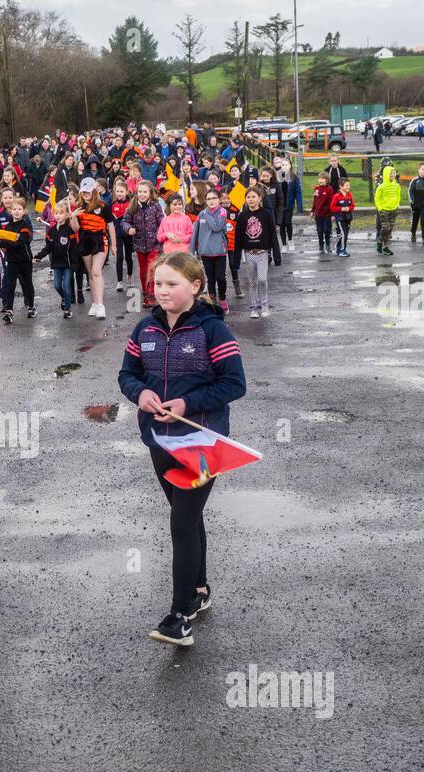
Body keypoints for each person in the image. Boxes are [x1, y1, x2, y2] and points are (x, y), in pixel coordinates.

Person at [117, 252, 247, 647]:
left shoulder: (213, 331)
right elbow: (126, 375)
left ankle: (180, 614)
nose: (162, 291)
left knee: (181, 523)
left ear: (195, 286)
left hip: (202, 443)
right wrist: (140, 394)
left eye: (171, 284)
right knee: (186, 517)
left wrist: (187, 404)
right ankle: (201, 589)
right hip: (158, 440)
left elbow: (234, 384)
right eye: (158, 283)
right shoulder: (144, 329)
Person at [75, 177, 114, 318]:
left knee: (97, 271)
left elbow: (110, 225)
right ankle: (95, 303)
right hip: (85, 241)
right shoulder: (78, 205)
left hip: (100, 240)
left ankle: (101, 305)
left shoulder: (103, 205)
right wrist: (73, 216)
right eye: (83, 192)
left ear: (93, 191)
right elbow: (75, 228)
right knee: (90, 273)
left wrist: (114, 245)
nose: (85, 194)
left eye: (88, 191)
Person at [34, 198, 80, 319]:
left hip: (68, 263)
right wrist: (39, 255)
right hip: (56, 263)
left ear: (66, 215)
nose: (58, 216)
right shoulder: (52, 231)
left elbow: (74, 248)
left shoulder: (69, 230)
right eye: (56, 213)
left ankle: (68, 309)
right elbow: (48, 247)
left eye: (61, 213)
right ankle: (64, 298)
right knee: (57, 286)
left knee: (66, 285)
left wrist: (75, 263)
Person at [0, 196, 36, 323]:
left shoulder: (25, 225)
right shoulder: (7, 227)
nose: (17, 211)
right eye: (14, 209)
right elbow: (5, 241)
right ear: (10, 211)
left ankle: (31, 306)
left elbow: (19, 243)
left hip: (24, 260)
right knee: (10, 285)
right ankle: (9, 311)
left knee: (27, 283)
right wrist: (1, 243)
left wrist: (2, 244)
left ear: (24, 211)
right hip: (12, 260)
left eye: (19, 209)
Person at [236, 186, 275, 317]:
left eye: (253, 197)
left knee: (262, 279)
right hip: (249, 253)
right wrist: (237, 258)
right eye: (248, 197)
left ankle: (264, 305)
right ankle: (253, 307)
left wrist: (276, 253)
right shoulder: (242, 216)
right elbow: (239, 237)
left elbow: (273, 234)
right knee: (252, 281)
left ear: (259, 198)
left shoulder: (266, 214)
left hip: (262, 253)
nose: (251, 199)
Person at [189, 189, 230, 312]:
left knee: (220, 277)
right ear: (205, 200)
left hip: (219, 251)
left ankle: (222, 298)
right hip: (205, 252)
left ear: (219, 199)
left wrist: (206, 214)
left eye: (214, 198)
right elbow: (195, 232)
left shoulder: (222, 212)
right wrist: (192, 251)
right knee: (210, 278)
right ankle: (212, 301)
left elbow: (216, 227)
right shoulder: (201, 214)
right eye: (208, 199)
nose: (211, 201)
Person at [125, 179, 164, 308]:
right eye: (140, 191)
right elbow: (125, 221)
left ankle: (152, 295)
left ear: (150, 192)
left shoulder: (156, 205)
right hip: (140, 243)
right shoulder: (133, 205)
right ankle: (146, 291)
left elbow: (161, 222)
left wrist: (159, 236)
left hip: (154, 244)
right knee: (143, 270)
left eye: (145, 192)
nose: (142, 194)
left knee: (151, 268)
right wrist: (129, 229)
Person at [110, 178, 134, 292]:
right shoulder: (113, 204)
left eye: (121, 191)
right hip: (117, 234)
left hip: (128, 234)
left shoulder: (130, 204)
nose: (119, 194)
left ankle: (129, 276)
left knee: (128, 257)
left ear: (126, 192)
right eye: (117, 191)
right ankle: (119, 281)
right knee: (119, 257)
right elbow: (110, 221)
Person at [374, 162, 401, 256]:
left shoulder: (396, 185)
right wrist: (380, 208)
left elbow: (398, 196)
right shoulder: (381, 186)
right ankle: (380, 241)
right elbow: (377, 198)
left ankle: (385, 247)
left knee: (390, 229)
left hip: (394, 210)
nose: (393, 175)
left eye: (394, 173)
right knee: (386, 228)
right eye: (391, 173)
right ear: (386, 174)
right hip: (384, 210)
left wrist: (397, 205)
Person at [330, 179, 355, 257]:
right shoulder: (336, 196)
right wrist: (341, 209)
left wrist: (349, 208)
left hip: (348, 218)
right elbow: (332, 207)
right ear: (341, 186)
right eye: (346, 185)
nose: (348, 187)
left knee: (345, 235)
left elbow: (352, 205)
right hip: (340, 218)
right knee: (343, 234)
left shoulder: (349, 195)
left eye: (349, 185)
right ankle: (342, 250)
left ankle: (337, 248)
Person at [409, 163, 424, 244]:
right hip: (415, 205)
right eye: (422, 169)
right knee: (415, 220)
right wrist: (413, 202)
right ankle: (413, 234)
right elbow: (410, 192)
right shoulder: (414, 181)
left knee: (423, 220)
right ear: (419, 170)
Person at [312, 172, 334, 255]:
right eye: (319, 179)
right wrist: (312, 211)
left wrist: (332, 214)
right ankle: (321, 246)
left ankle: (328, 244)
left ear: (327, 180)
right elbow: (315, 201)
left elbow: (331, 202)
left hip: (327, 214)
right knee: (319, 230)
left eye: (322, 179)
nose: (320, 180)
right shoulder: (316, 188)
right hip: (318, 214)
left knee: (326, 230)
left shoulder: (329, 189)